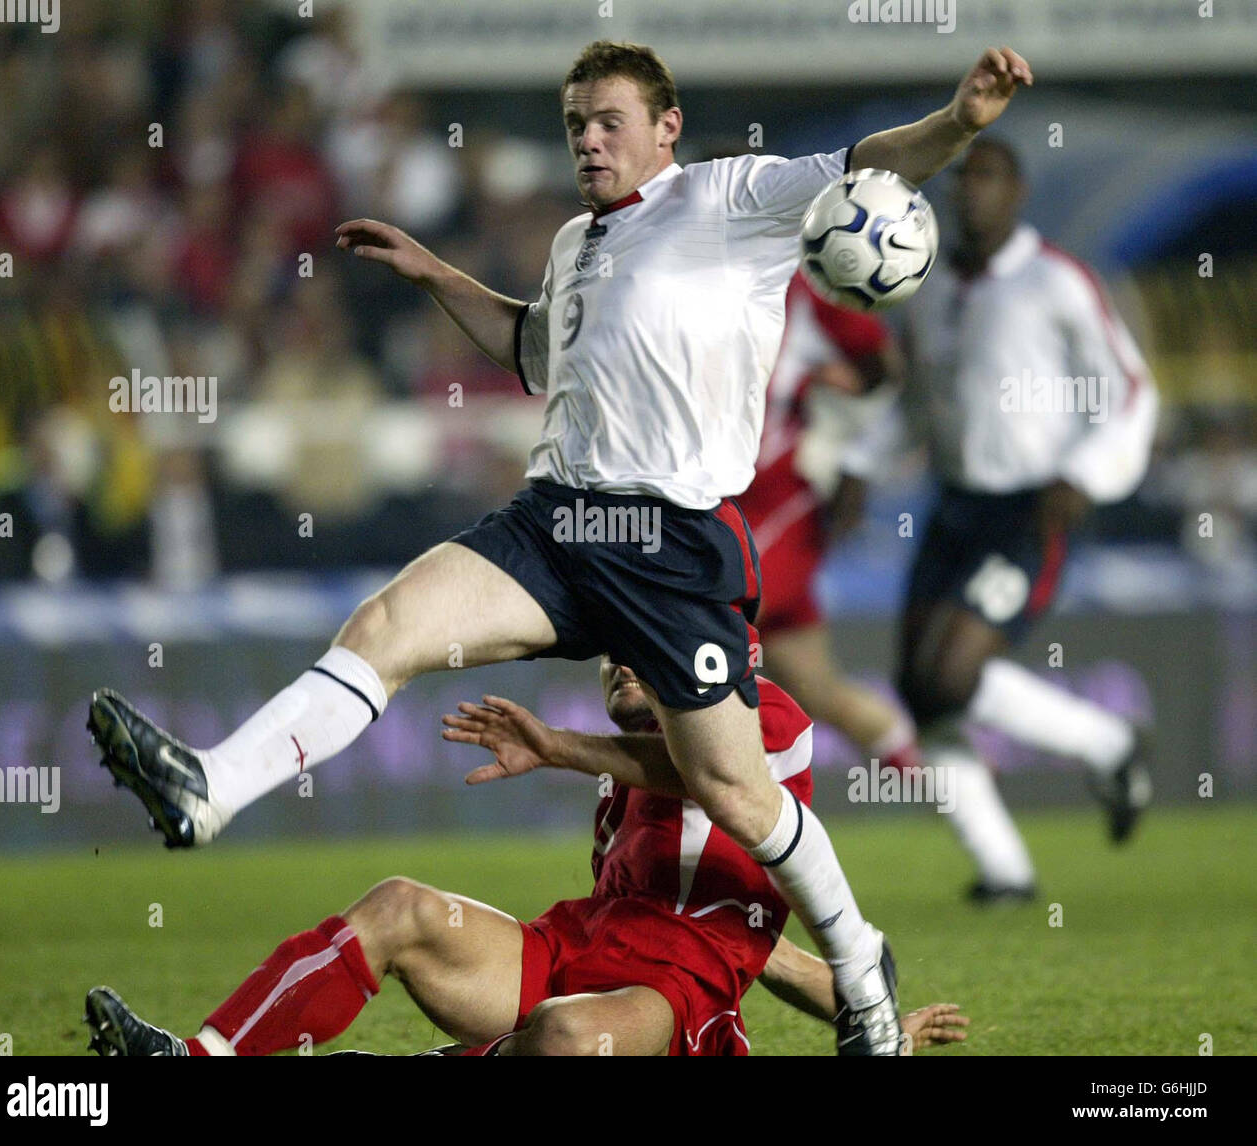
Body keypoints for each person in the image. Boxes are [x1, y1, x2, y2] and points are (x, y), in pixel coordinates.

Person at [88, 40, 1032, 1053]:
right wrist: (437, 275)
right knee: (388, 625)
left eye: (608, 120)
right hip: (557, 520)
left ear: (664, 129)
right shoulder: (577, 242)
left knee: (731, 789)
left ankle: (859, 974)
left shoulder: (731, 199)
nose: (588, 137)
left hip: (670, 539)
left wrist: (959, 120)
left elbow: (870, 163)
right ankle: (211, 788)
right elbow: (533, 350)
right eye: (576, 121)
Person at [85, 658, 968, 1057]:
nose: (623, 659)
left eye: (645, 642)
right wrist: (866, 1004)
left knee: (570, 1038)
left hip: (671, 1004)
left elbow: (707, 775)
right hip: (575, 949)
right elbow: (765, 943)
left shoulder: (756, 715)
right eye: (613, 645)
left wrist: (873, 1011)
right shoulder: (617, 789)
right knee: (400, 906)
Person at [837, 137, 1159, 901]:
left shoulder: (1056, 281)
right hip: (953, 507)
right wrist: (857, 465)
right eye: (962, 178)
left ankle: (1108, 742)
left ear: (1018, 192)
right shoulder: (931, 287)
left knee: (949, 675)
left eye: (988, 177)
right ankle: (1004, 871)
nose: (970, 191)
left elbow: (1130, 389)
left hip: (1033, 508)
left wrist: (1085, 474)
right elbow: (915, 410)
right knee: (920, 691)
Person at [738, 268, 921, 775]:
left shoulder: (807, 289)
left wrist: (856, 456)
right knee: (817, 689)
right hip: (717, 507)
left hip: (776, 507)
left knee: (700, 640)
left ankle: (726, 812)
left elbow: (884, 369)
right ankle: (946, 784)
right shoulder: (693, 273)